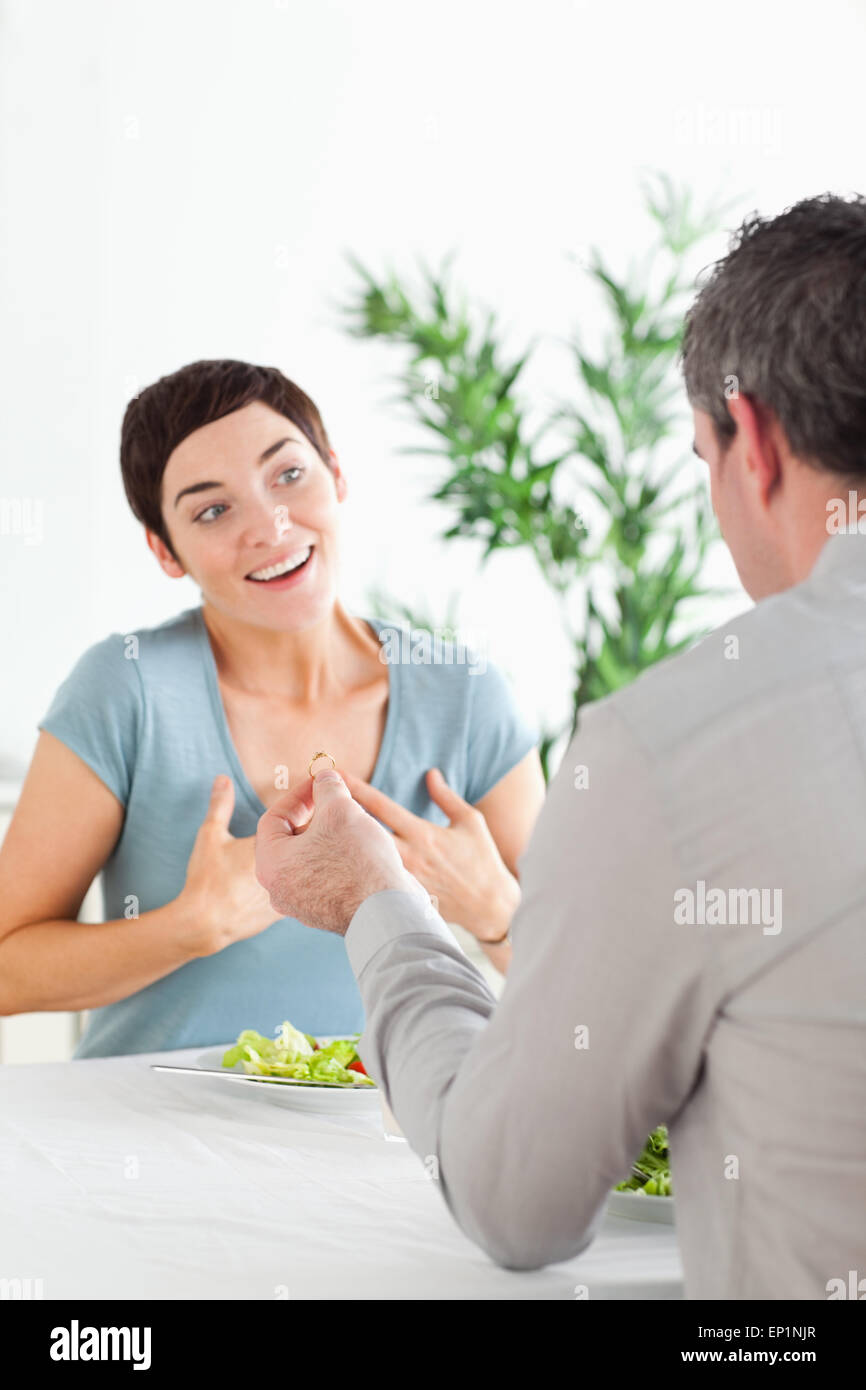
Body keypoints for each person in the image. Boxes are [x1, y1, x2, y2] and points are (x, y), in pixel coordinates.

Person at [254, 194, 866, 1300]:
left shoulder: (677, 743)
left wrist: (375, 901)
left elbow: (515, 1197)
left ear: (755, 440)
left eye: (701, 457)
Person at [0, 361, 544, 1055]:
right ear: (166, 551)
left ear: (337, 474)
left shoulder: (466, 697)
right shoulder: (125, 688)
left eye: (288, 476)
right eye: (213, 510)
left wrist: (495, 915)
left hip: (384, 1144)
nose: (271, 525)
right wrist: (193, 927)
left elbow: (586, 984)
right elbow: (6, 969)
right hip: (150, 1141)